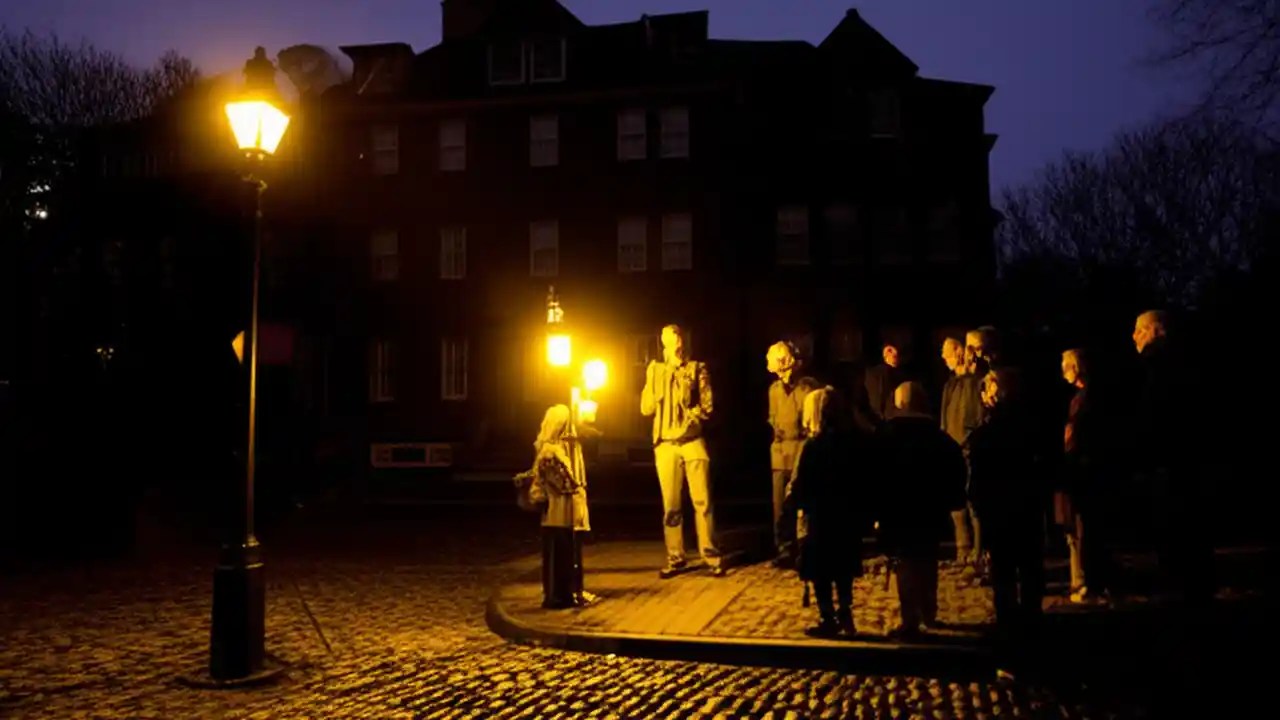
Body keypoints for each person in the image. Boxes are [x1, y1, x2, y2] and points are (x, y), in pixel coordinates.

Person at [1131, 310, 1212, 606]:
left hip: (1171, 462)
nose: (1134, 337)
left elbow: (1155, 417)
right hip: (1179, 461)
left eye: (1140, 330)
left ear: (1157, 331)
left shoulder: (1158, 367)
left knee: (1177, 532)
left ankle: (1185, 596)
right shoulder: (1178, 364)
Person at [967, 367, 1046, 669]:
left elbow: (979, 480)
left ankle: (1012, 636)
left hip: (1001, 512)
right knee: (1029, 572)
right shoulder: (1032, 426)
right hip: (1026, 509)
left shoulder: (987, 433)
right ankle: (1031, 628)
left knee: (1004, 575)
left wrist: (980, 508)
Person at [878, 381, 968, 639]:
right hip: (930, 509)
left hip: (898, 510)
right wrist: (952, 500)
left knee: (906, 563)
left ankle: (910, 617)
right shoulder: (939, 438)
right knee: (927, 560)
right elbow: (955, 470)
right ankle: (928, 610)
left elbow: (875, 473)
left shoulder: (887, 437)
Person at [641, 325, 724, 578]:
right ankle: (676, 557)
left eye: (675, 336)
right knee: (671, 506)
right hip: (665, 443)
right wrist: (654, 379)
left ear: (682, 340)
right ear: (662, 342)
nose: (672, 340)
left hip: (691, 441)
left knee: (703, 501)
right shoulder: (655, 370)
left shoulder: (696, 368)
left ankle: (710, 555)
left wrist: (691, 419)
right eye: (666, 336)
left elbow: (707, 405)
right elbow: (645, 409)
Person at [788, 386, 866, 638]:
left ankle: (828, 616)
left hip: (820, 517)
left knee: (821, 570)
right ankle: (844, 610)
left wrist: (794, 503)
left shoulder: (814, 446)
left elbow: (801, 482)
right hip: (845, 515)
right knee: (842, 568)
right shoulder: (852, 443)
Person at [519, 404, 594, 609]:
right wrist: (576, 486)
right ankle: (558, 596)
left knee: (565, 553)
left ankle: (565, 593)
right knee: (558, 555)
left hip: (562, 513)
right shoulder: (551, 453)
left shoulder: (562, 450)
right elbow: (563, 484)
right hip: (557, 513)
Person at [765, 341, 819, 568]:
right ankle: (784, 548)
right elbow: (773, 417)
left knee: (803, 504)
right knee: (781, 506)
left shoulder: (807, 388)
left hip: (800, 451)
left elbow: (812, 420)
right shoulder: (774, 390)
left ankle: (805, 549)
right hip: (780, 454)